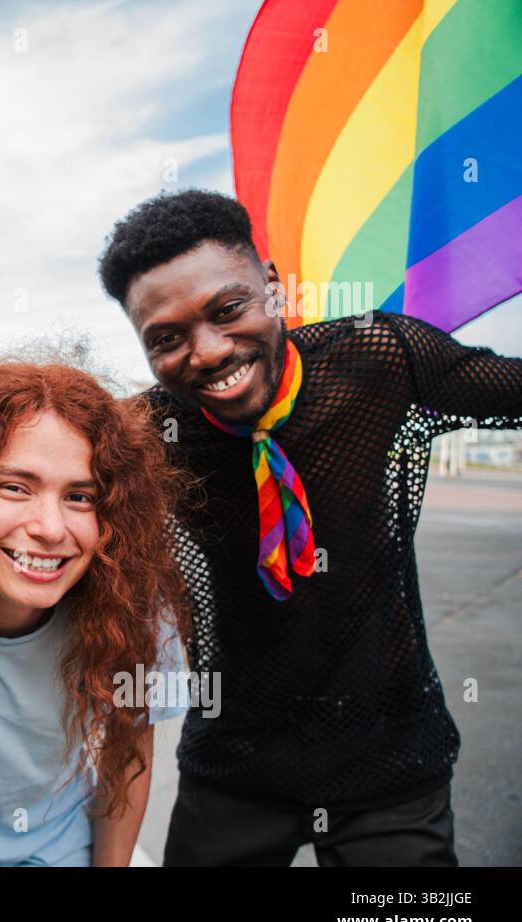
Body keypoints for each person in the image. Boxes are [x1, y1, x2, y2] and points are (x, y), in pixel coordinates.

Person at [98, 188, 522, 865]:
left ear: (271, 286)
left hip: (391, 764)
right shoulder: (150, 435)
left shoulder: (380, 360)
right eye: (168, 339)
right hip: (234, 769)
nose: (206, 352)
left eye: (228, 309)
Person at [0, 361, 190, 866]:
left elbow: (127, 759)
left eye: (80, 497)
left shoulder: (134, 604)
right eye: (14, 487)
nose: (49, 527)